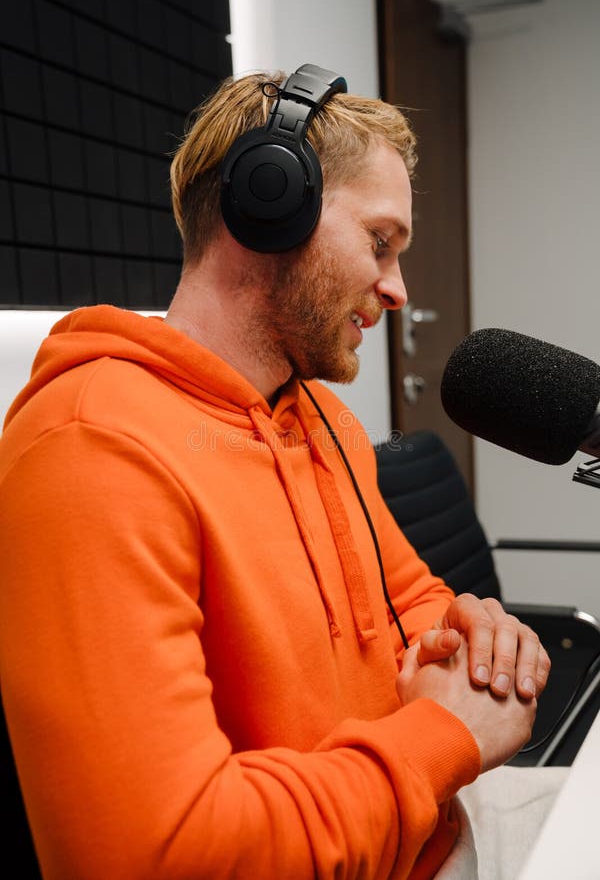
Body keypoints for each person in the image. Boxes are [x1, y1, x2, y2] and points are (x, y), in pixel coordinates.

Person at [0, 64, 551, 879]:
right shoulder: (93, 448)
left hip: (437, 839)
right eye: (379, 242)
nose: (397, 290)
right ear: (269, 203)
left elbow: (406, 599)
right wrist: (446, 736)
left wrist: (477, 634)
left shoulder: (321, 418)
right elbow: (154, 855)